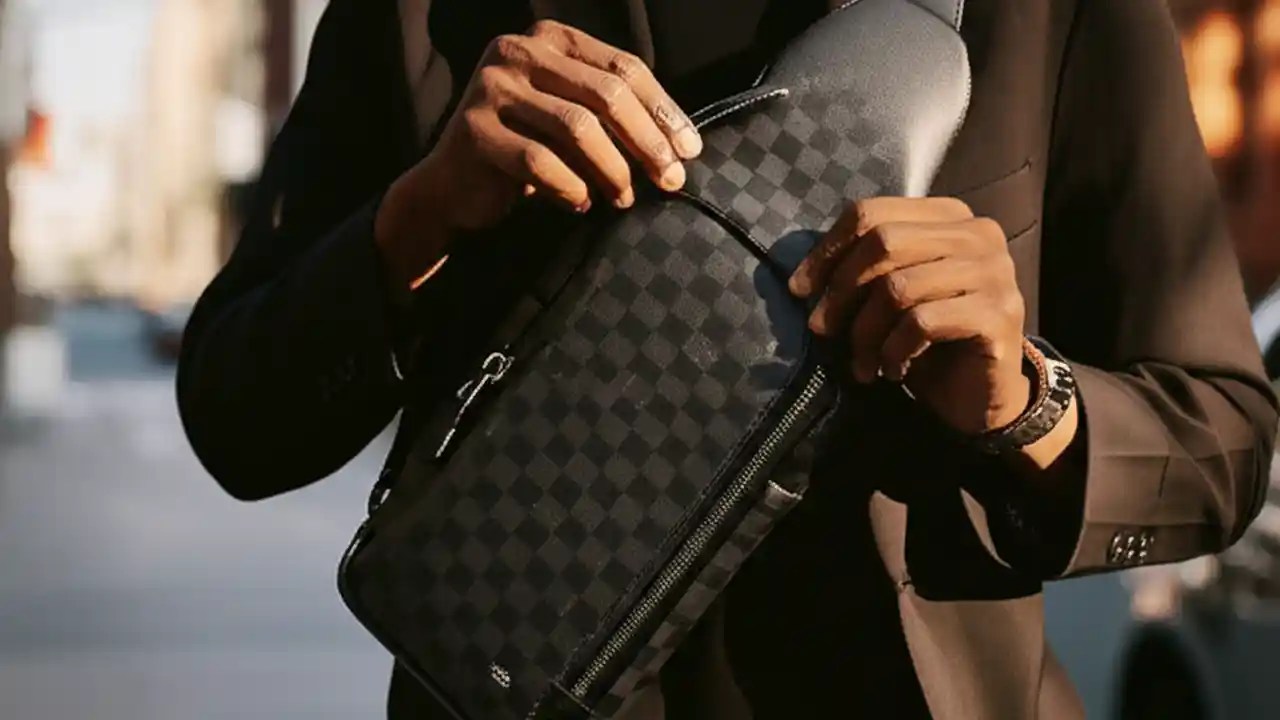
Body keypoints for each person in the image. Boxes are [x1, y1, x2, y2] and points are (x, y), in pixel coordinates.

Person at [175, 0, 1279, 717]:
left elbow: (1221, 435)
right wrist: (419, 217)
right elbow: (235, 413)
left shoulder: (1048, 15)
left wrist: (1023, 404)